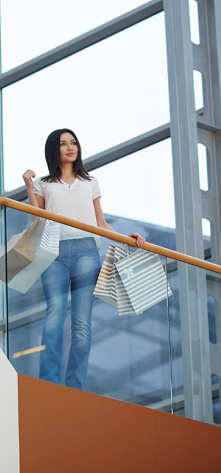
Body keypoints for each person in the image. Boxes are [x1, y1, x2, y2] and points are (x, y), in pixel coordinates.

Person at [22, 128, 146, 390]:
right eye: (64, 144)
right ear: (54, 150)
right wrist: (30, 188)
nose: (70, 147)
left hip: (86, 252)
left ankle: (75, 386)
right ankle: (50, 384)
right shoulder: (45, 184)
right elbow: (37, 221)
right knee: (54, 313)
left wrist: (127, 238)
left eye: (74, 143)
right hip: (53, 251)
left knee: (81, 324)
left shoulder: (90, 182)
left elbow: (100, 223)